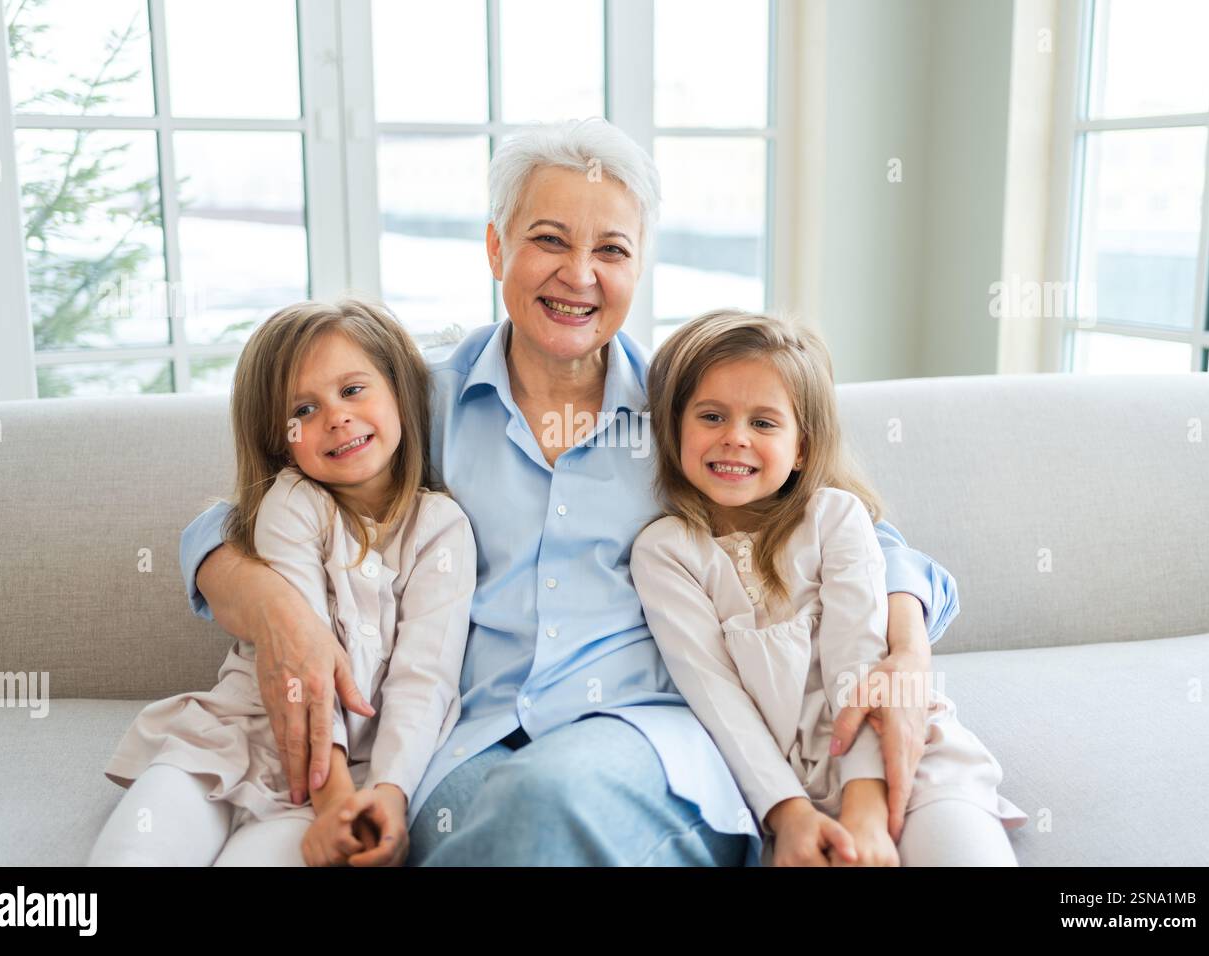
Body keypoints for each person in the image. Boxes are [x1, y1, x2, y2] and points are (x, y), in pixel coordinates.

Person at [177, 118, 960, 866]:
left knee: (541, 804)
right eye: (548, 240)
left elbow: (851, 533)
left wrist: (908, 645)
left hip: (640, 738)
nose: (579, 275)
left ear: (638, 266)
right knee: (499, 820)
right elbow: (224, 526)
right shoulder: (423, 404)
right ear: (495, 247)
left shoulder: (689, 415)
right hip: (466, 745)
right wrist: (282, 613)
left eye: (610, 250)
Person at [630, 309, 1028, 866]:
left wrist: (866, 807)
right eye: (712, 416)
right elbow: (716, 697)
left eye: (764, 423)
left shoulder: (834, 517)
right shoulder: (665, 552)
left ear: (801, 448)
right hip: (781, 792)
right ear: (674, 432)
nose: (735, 438)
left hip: (898, 750)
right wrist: (789, 812)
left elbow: (857, 662)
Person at [88, 299, 475, 866]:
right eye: (305, 408)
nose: (337, 418)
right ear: (279, 437)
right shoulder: (293, 502)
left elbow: (426, 680)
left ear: (399, 390)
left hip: (351, 775)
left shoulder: (442, 529)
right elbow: (302, 661)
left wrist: (384, 797)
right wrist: (333, 795)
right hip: (232, 744)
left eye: (352, 390)